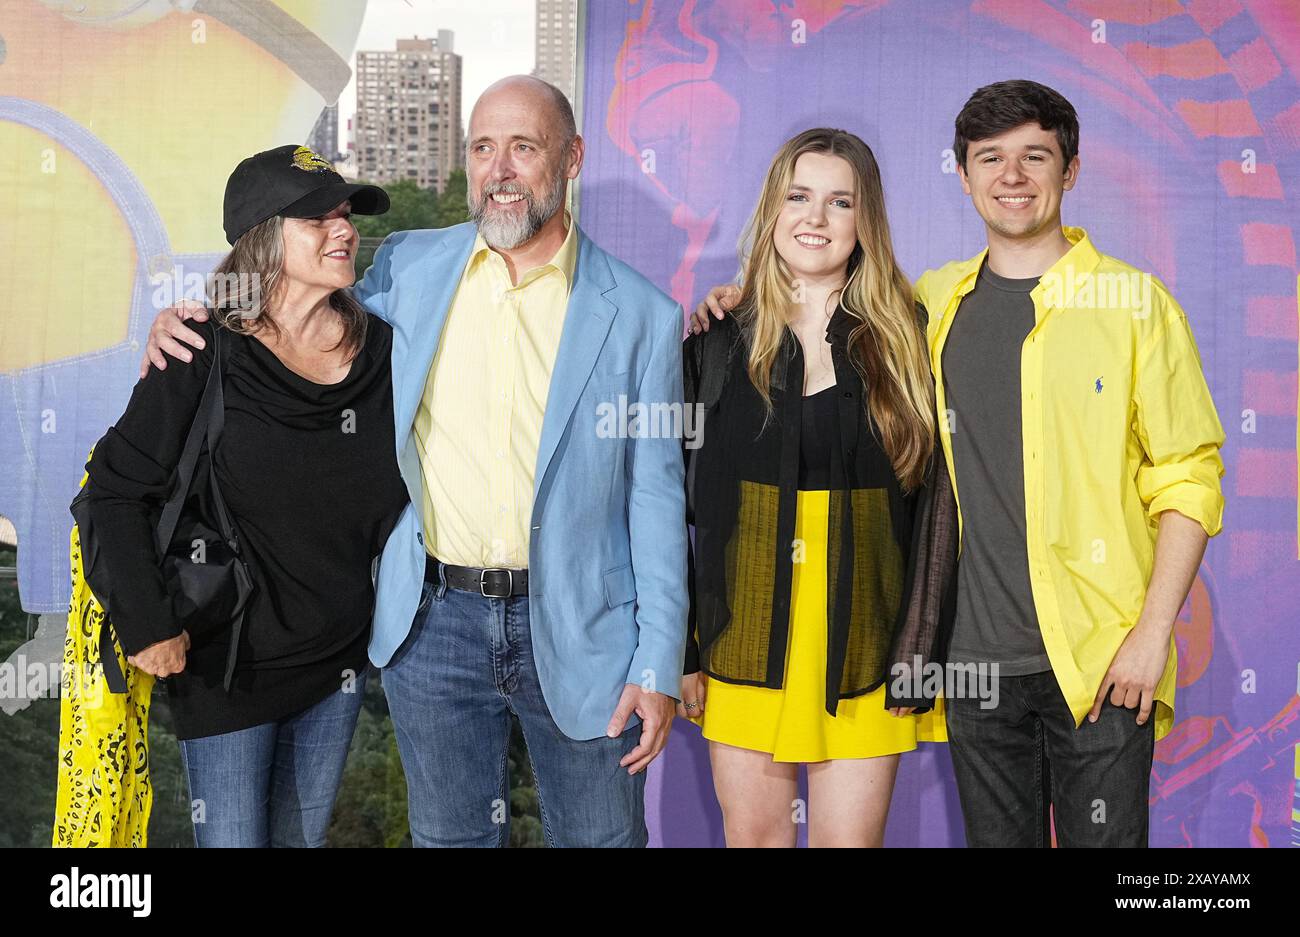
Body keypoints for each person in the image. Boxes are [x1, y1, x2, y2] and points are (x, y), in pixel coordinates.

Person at [144, 76, 689, 848]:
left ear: (571, 159)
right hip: (433, 626)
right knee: (448, 840)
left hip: (583, 630)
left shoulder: (643, 315)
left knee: (600, 838)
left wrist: (659, 663)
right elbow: (288, 306)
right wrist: (189, 316)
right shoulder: (405, 269)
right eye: (482, 148)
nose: (499, 169)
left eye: (524, 148)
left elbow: (658, 503)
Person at [692, 80, 1226, 847]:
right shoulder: (927, 308)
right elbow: (824, 300)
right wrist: (741, 299)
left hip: (1101, 658)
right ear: (964, 173)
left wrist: (1150, 635)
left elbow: (1189, 477)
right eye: (990, 159)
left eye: (1034, 156)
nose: (1012, 177)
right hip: (973, 665)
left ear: (1070, 171)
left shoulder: (1136, 306)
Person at [84, 144, 405, 847]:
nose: (343, 228)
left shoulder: (385, 352)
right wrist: (146, 623)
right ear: (263, 236)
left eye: (345, 212)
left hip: (338, 665)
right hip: (225, 668)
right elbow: (113, 490)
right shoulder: (201, 347)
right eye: (317, 217)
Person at [680, 128, 957, 847]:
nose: (816, 217)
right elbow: (676, 511)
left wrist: (917, 651)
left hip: (867, 639)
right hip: (742, 632)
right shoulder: (716, 340)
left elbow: (935, 507)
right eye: (799, 196)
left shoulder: (909, 339)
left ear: (865, 222)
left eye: (840, 202)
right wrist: (682, 650)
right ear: (773, 207)